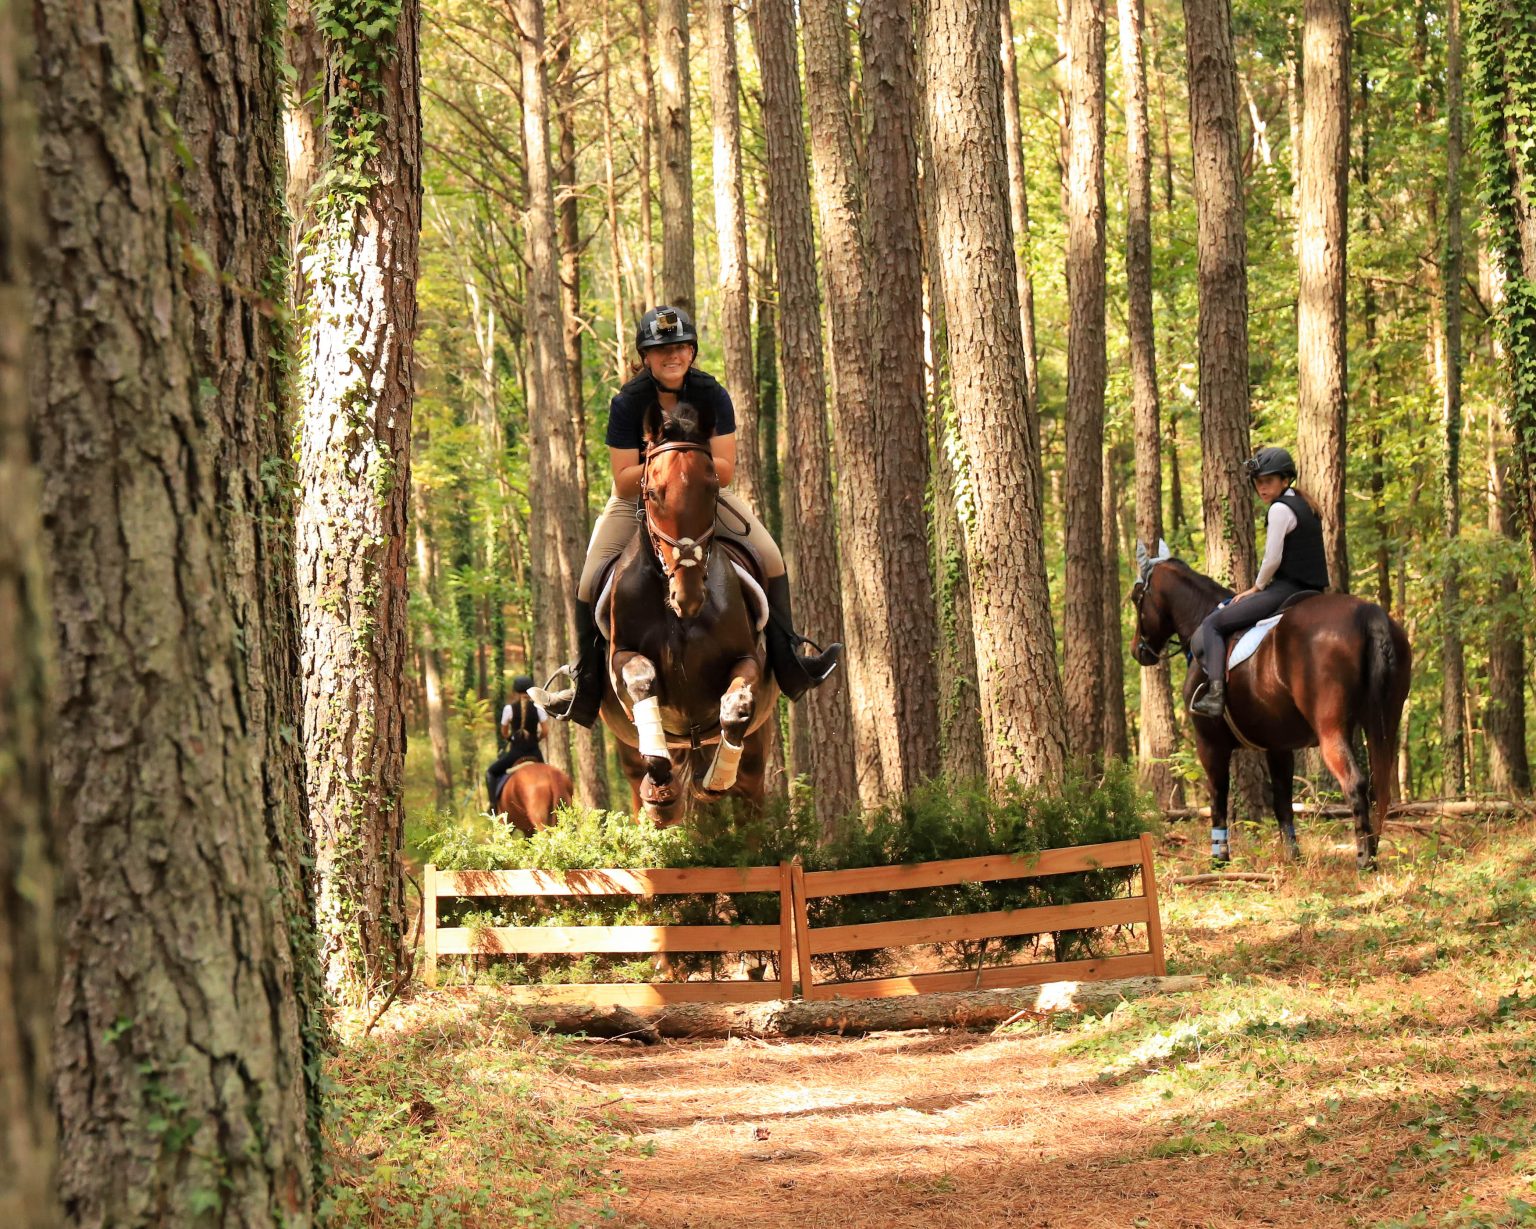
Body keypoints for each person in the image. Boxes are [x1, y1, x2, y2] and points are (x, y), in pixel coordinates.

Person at [539, 305, 841, 726]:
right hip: (637, 502)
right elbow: (625, 479)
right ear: (645, 356)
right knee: (590, 578)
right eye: (662, 350)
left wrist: (685, 475)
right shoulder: (628, 402)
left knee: (770, 557)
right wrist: (667, 469)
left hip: (704, 496)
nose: (672, 356)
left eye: (680, 347)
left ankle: (791, 660)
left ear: (692, 352)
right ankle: (585, 681)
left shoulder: (710, 393)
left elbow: (726, 468)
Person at [1188, 447, 1331, 718]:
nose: (1261, 488)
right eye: (1258, 483)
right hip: (1315, 592)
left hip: (1287, 589)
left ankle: (1216, 695)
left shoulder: (1279, 509)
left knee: (1213, 624)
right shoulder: (1306, 505)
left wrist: (1257, 588)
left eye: (1267, 482)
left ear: (1285, 480)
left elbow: (1272, 559)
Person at [486, 675, 546, 810]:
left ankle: (493, 806)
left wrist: (510, 738)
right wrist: (536, 738)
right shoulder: (539, 708)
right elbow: (545, 732)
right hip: (535, 753)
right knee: (548, 772)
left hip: (515, 754)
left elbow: (504, 732)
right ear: (532, 691)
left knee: (491, 772)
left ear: (514, 692)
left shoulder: (509, 709)